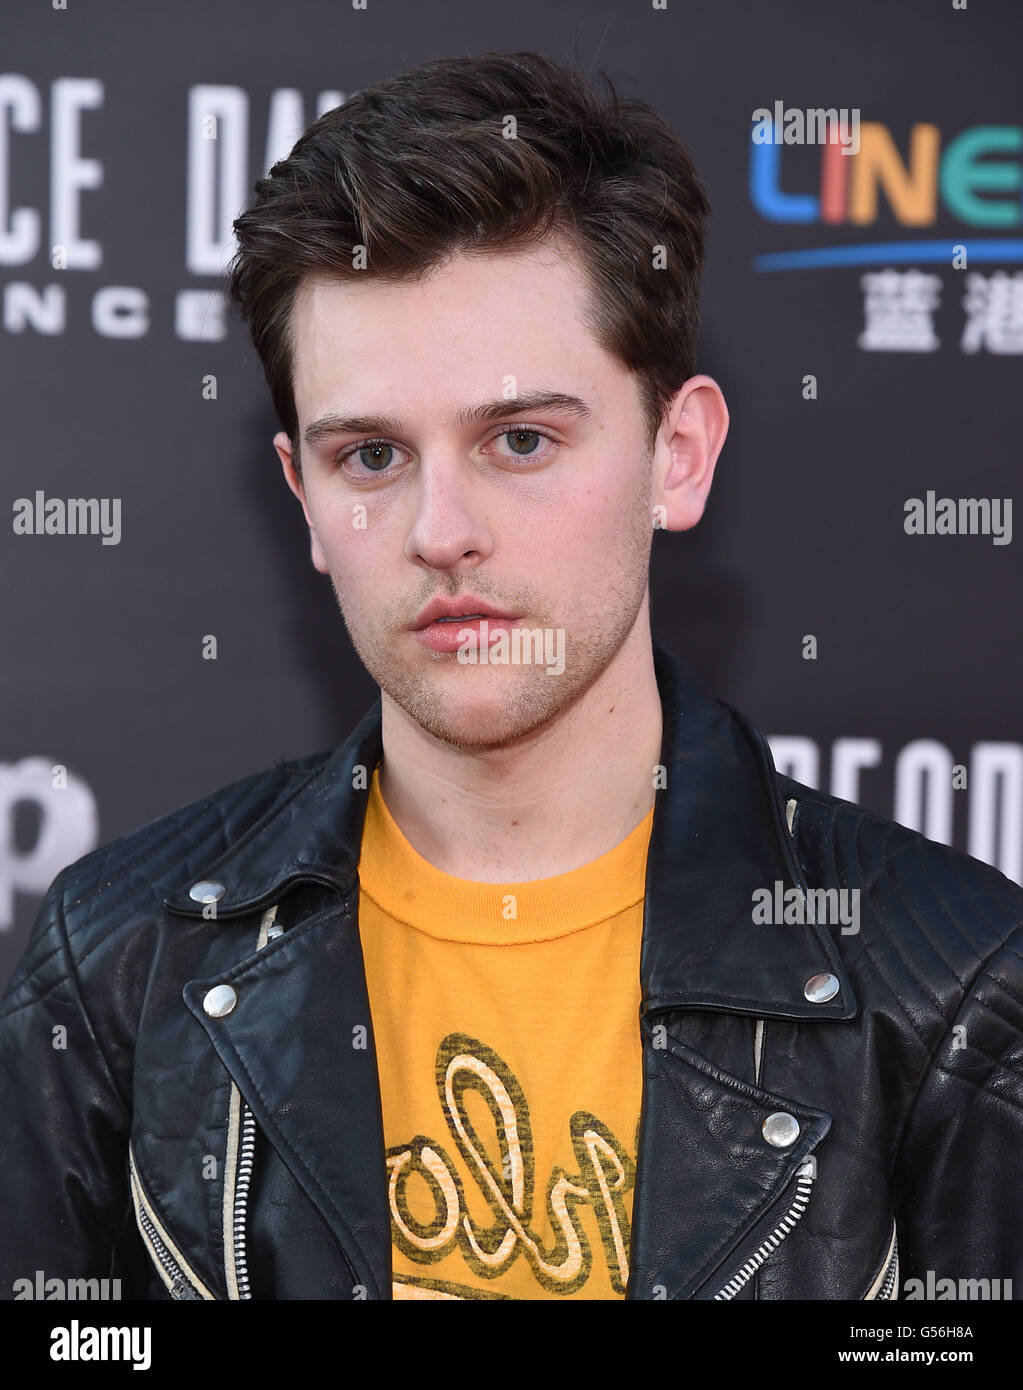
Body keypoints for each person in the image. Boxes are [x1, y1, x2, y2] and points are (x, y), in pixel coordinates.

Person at [2, 50, 1021, 1304]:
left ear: (678, 455)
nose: (443, 531)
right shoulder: (120, 960)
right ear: (303, 499)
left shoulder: (951, 991)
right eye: (372, 456)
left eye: (521, 439)